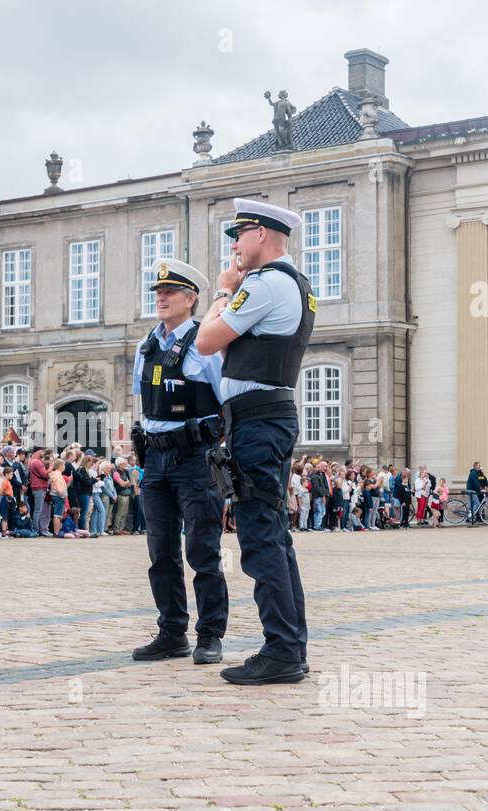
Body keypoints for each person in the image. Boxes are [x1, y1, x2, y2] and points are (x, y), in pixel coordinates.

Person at [196, 198, 314, 685]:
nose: (235, 247)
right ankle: (290, 645)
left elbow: (206, 340)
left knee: (261, 536)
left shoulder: (266, 285)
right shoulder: (296, 286)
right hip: (266, 416)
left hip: (259, 420)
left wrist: (224, 292)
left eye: (239, 236)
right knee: (273, 537)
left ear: (262, 235)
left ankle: (282, 650)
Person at [129, 258, 228, 665]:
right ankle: (171, 632)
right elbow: (144, 401)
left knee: (203, 550)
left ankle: (210, 635)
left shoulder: (206, 344)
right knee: (161, 552)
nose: (161, 298)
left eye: (170, 292)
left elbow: (227, 404)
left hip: (194, 458)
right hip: (155, 458)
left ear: (192, 298)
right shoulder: (147, 345)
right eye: (158, 292)